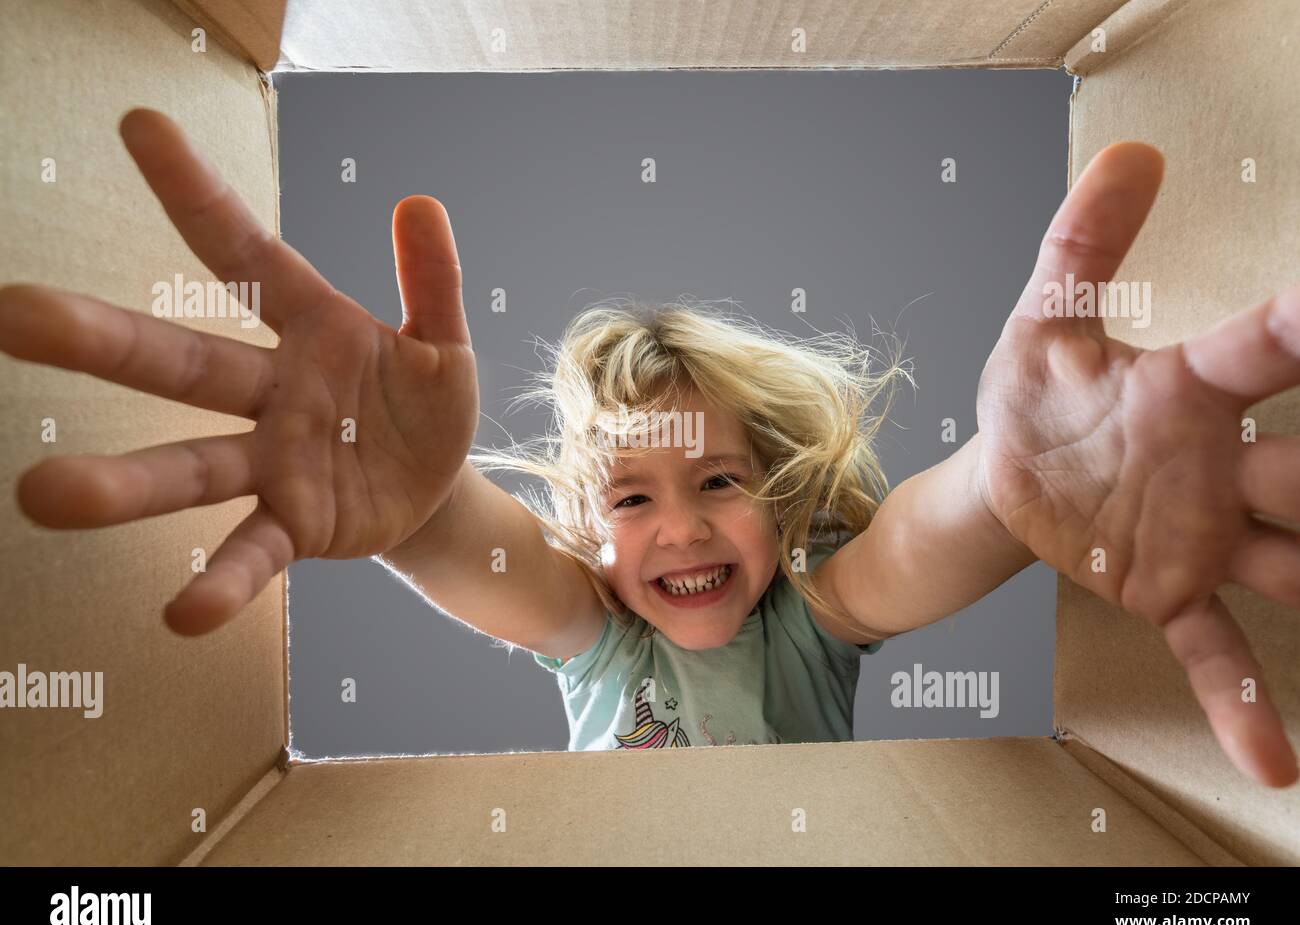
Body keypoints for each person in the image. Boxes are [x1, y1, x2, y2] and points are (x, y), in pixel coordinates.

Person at [2, 108, 1296, 785]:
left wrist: (1011, 498)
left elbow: (906, 554)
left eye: (719, 483)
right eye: (631, 497)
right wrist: (412, 509)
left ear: (783, 512)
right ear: (587, 530)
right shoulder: (600, 635)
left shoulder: (801, 629)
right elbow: (484, 553)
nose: (678, 527)